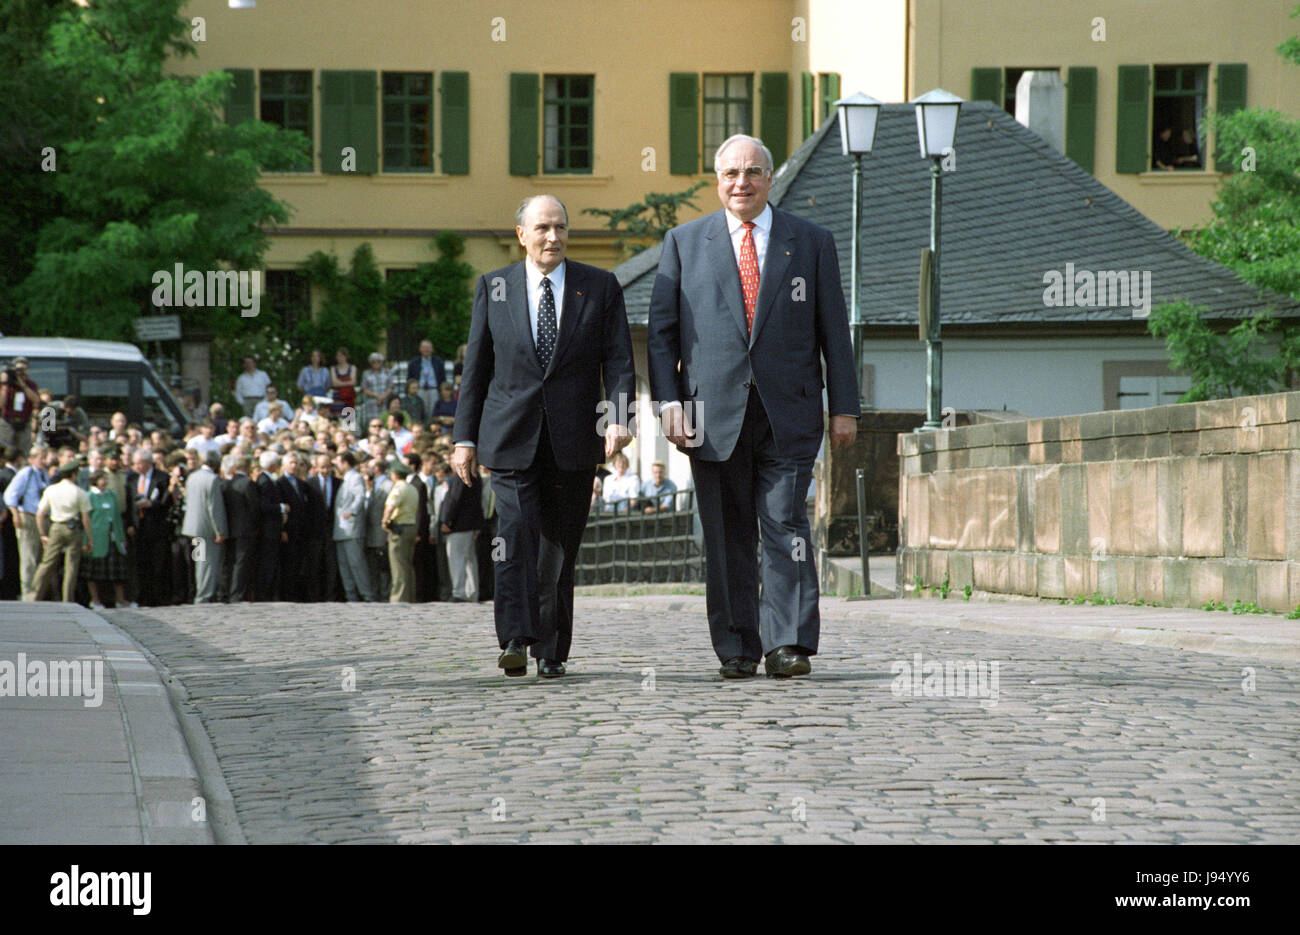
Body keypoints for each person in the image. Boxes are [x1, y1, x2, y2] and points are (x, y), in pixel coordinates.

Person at [647, 133, 859, 680]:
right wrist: (667, 403)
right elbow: (662, 336)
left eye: (753, 172)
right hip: (710, 416)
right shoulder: (684, 243)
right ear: (718, 181)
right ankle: (738, 645)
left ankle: (788, 643)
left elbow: (834, 331)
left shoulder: (810, 242)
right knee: (725, 533)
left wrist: (845, 408)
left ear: (770, 178)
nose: (741, 183)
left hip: (788, 413)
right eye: (730, 174)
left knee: (785, 525)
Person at [452, 193, 635, 678]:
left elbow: (618, 360)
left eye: (560, 228)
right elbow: (477, 369)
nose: (552, 237)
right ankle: (515, 637)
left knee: (558, 546)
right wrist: (463, 439)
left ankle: (551, 649)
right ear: (522, 235)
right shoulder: (493, 287)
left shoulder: (599, 286)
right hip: (510, 437)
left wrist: (618, 417)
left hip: (576, 439)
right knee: (513, 537)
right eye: (542, 228)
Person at [32, 458, 92, 601]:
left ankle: (33, 595)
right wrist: (89, 538)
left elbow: (39, 514)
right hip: (73, 529)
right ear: (73, 474)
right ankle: (67, 599)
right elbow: (85, 518)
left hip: (56, 527)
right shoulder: (79, 492)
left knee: (47, 563)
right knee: (71, 566)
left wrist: (42, 534)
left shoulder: (51, 490)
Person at [3, 445, 54, 601]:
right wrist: (15, 514)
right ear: (32, 459)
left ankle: (38, 593)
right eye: (41, 458)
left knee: (41, 558)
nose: (44, 461)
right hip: (29, 517)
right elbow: (10, 495)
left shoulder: (44, 475)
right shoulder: (26, 473)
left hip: (43, 518)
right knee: (29, 557)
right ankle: (28, 594)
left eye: (46, 457)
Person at [180, 449, 228, 604]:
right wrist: (220, 530)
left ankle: (200, 593)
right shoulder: (213, 480)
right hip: (207, 529)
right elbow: (214, 507)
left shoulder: (192, 477)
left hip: (193, 527)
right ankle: (204, 596)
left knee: (199, 562)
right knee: (207, 563)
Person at [125, 448, 169, 606]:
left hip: (156, 527)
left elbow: (167, 502)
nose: (136, 466)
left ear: (148, 463)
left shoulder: (162, 478)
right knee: (140, 564)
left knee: (157, 564)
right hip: (138, 528)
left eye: (138, 463)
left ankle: (156, 597)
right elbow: (129, 504)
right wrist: (129, 524)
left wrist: (152, 504)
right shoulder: (131, 479)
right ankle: (141, 596)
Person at [81, 469, 130, 609]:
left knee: (117, 572)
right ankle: (95, 600)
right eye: (102, 479)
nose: (105, 481)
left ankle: (120, 600)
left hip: (113, 537)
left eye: (106, 478)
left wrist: (122, 538)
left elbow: (117, 518)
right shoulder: (89, 496)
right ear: (95, 480)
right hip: (96, 539)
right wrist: (86, 541)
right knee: (93, 573)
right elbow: (86, 521)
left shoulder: (112, 495)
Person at [438, 460, 483, 603]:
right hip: (471, 524)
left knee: (456, 558)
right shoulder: (476, 475)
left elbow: (454, 499)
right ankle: (472, 591)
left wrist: (447, 521)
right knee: (470, 559)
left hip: (458, 525)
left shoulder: (460, 475)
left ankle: (459, 592)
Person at [332, 450, 372, 601]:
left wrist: (352, 511)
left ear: (345, 463)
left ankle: (366, 594)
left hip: (352, 528)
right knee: (344, 565)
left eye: (338, 462)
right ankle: (351, 595)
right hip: (341, 530)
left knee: (357, 564)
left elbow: (360, 496)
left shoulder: (355, 477)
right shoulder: (345, 479)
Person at [220, 452, 259, 602]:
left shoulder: (226, 484)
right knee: (240, 564)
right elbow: (254, 508)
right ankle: (236, 594)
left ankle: (224, 592)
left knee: (228, 562)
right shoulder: (248, 483)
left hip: (229, 529)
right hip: (245, 530)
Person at [382, 459, 419, 602]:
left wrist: (385, 521)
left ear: (395, 474)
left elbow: (390, 506)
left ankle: (399, 597)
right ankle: (409, 596)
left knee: (398, 566)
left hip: (400, 529)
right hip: (411, 527)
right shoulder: (412, 488)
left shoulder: (398, 488)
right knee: (408, 565)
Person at [253, 450, 286, 601]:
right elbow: (264, 506)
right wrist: (282, 508)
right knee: (267, 563)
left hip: (271, 529)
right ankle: (264, 594)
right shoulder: (265, 480)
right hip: (268, 530)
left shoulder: (266, 478)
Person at [363, 457, 392, 601]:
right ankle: (374, 594)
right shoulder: (369, 485)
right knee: (372, 568)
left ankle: (385, 595)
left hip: (382, 534)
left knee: (384, 568)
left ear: (376, 469)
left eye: (369, 467)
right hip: (369, 534)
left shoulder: (388, 485)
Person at [0, 357, 40, 454]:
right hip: (7, 422)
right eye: (19, 370)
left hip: (25, 423)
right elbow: (1, 404)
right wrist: (5, 384)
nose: (21, 373)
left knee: (24, 452)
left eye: (24, 370)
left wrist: (22, 385)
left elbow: (36, 401)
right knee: (6, 451)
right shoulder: (6, 384)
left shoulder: (30, 384)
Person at [408, 339, 446, 419]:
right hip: (419, 390)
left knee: (433, 412)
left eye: (428, 348)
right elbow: (409, 378)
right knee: (420, 411)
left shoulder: (438, 362)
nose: (426, 350)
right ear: (420, 349)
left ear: (432, 349)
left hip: (433, 390)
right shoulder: (414, 362)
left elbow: (443, 378)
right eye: (424, 347)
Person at [361, 352, 394, 426]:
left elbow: (391, 386)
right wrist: (377, 396)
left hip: (385, 402)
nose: (376, 363)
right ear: (370, 363)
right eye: (373, 361)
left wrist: (382, 397)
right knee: (372, 423)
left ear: (382, 362)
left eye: (378, 361)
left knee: (385, 422)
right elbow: (364, 388)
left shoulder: (387, 372)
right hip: (371, 402)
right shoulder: (366, 373)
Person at [329, 348, 358, 418]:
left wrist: (340, 382)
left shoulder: (352, 368)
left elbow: (354, 382)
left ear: (346, 356)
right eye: (337, 356)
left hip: (349, 399)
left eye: (341, 356)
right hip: (337, 399)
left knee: (348, 424)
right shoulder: (333, 368)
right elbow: (334, 383)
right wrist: (348, 381)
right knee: (337, 421)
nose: (339, 358)